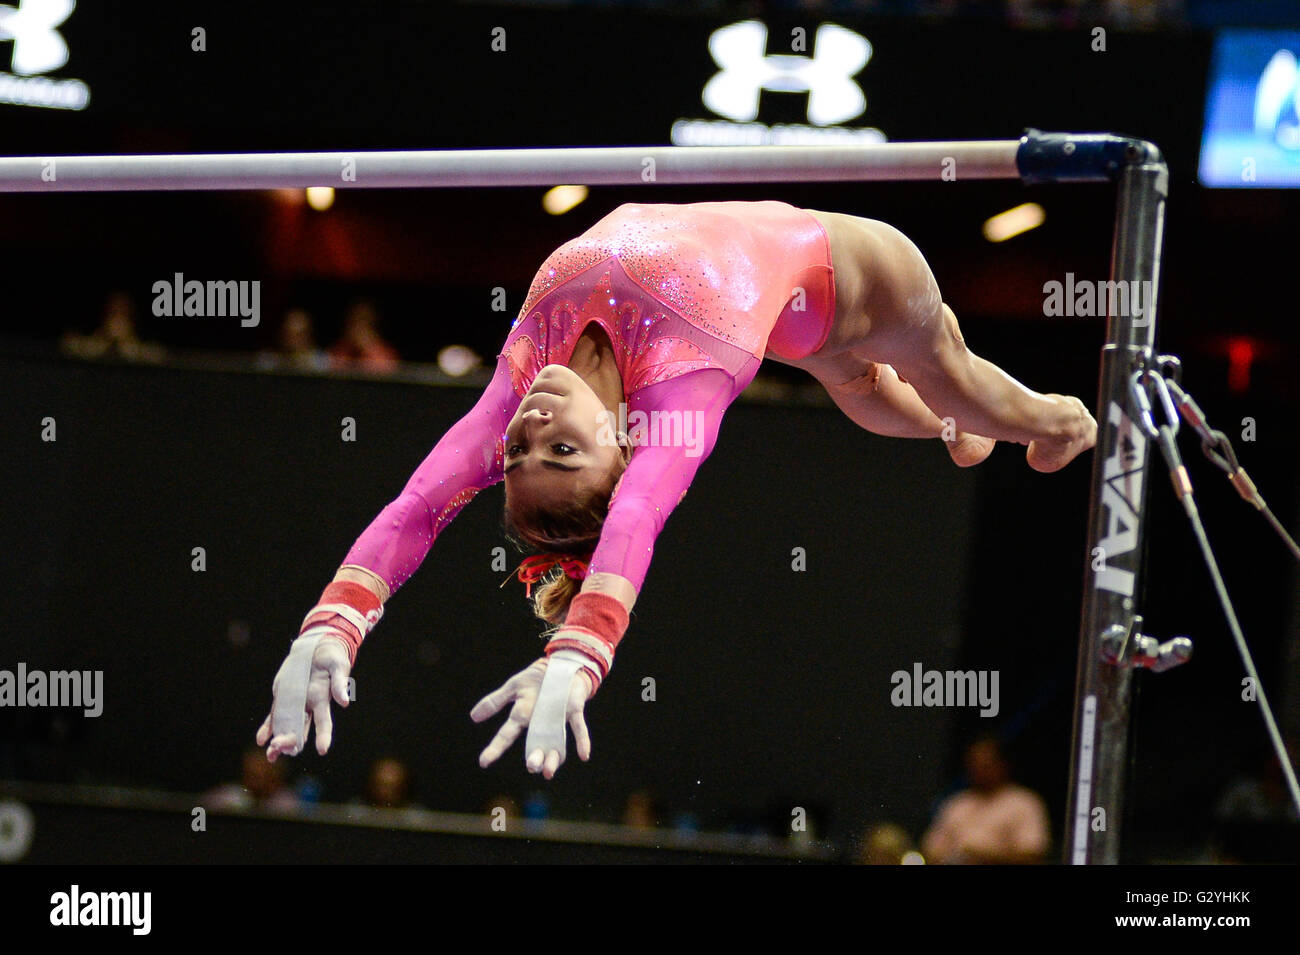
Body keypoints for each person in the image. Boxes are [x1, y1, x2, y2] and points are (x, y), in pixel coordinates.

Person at [257, 201, 1097, 780]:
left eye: (519, 450)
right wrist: (582, 652)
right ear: (626, 444)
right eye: (561, 446)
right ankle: (1060, 424)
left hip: (780, 301)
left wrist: (333, 623)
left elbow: (416, 504)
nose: (530, 421)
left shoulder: (517, 386)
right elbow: (638, 517)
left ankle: (951, 430)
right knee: (943, 376)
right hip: (858, 274)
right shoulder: (681, 396)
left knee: (861, 383)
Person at [920, 735, 1051, 864]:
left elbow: (1033, 855)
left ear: (1002, 764)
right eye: (974, 764)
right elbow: (931, 851)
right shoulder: (957, 803)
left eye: (985, 764)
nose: (979, 770)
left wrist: (984, 858)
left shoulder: (1024, 803)